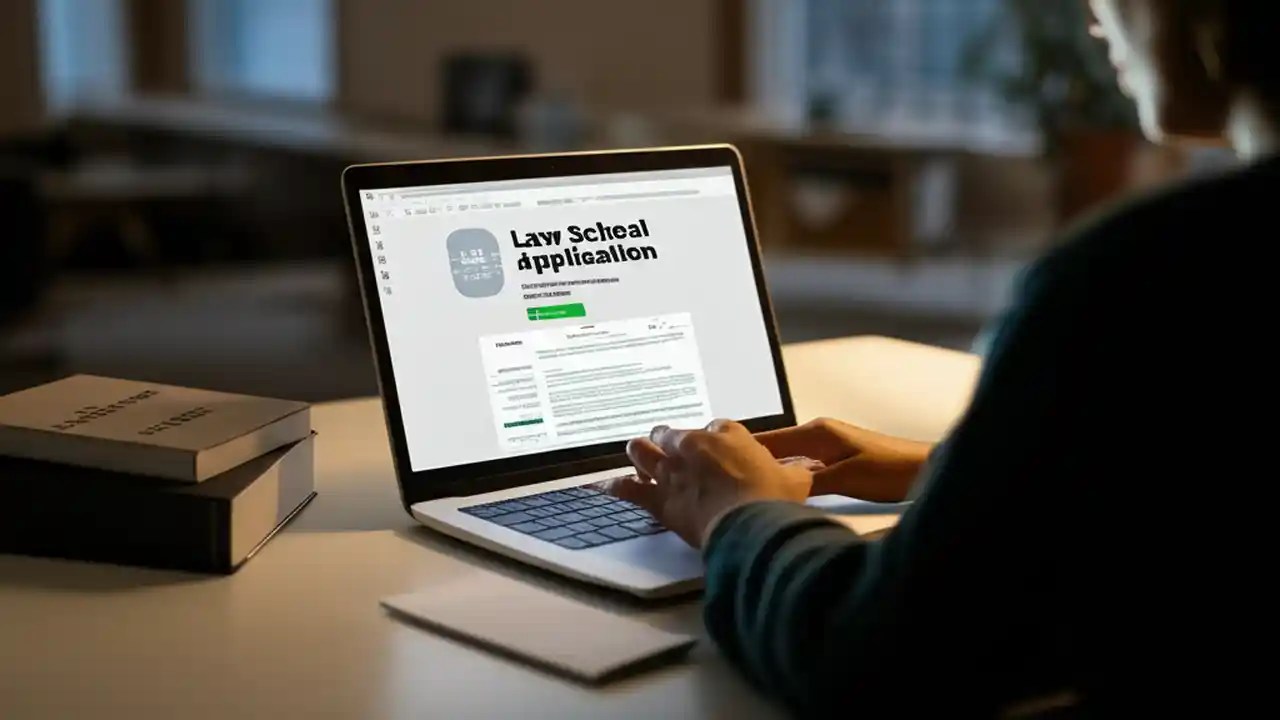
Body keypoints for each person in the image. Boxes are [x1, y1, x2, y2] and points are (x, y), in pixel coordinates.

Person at [603, 0, 1275, 715]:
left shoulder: (1138, 280)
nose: (1094, 16)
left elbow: (869, 657)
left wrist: (737, 513)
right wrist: (957, 466)